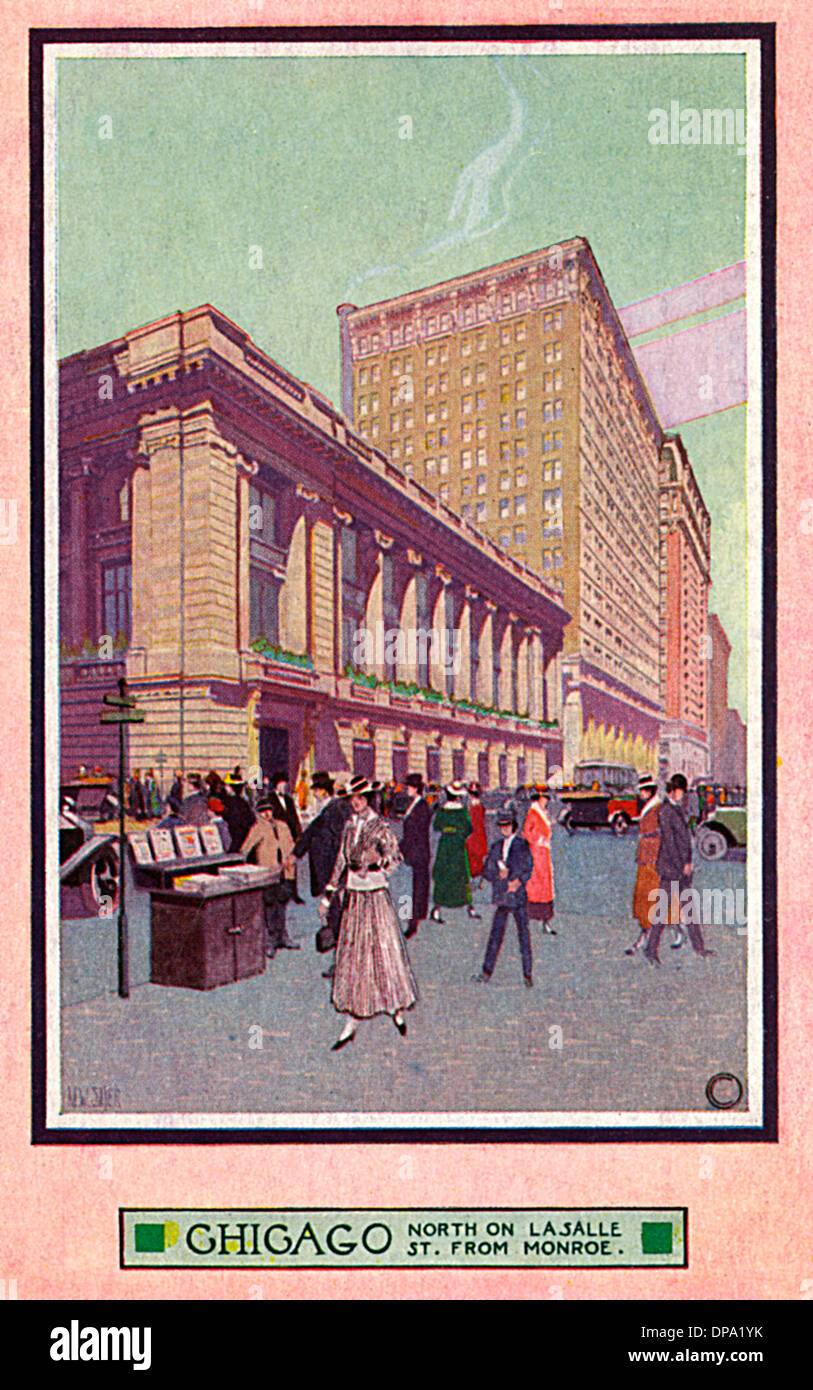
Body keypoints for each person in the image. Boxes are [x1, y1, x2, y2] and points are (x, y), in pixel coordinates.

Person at [319, 776, 417, 1051]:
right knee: (354, 955)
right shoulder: (349, 825)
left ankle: (395, 1007)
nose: (356, 802)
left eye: (360, 797)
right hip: (353, 897)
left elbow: (395, 859)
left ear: (369, 799)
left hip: (375, 896)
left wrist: (374, 866)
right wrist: (328, 895)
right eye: (352, 798)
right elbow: (341, 859)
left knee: (383, 951)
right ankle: (352, 1017)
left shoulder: (380, 826)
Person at [644, 772, 712, 965]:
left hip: (681, 869)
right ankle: (651, 951)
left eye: (683, 792)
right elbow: (670, 843)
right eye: (679, 792)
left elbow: (684, 842)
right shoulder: (666, 811)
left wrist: (688, 862)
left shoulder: (677, 809)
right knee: (661, 911)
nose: (681, 795)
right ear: (672, 791)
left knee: (689, 909)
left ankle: (699, 947)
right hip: (670, 869)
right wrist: (683, 865)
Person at [473, 809, 535, 987]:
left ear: (513, 826)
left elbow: (528, 867)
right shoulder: (496, 846)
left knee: (523, 935)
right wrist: (498, 875)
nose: (504, 829)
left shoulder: (522, 845)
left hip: (517, 896)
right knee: (495, 935)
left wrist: (517, 881)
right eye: (501, 826)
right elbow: (487, 870)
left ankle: (527, 974)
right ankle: (486, 971)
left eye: (507, 825)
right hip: (502, 896)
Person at [242, 796, 300, 957]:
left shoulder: (282, 826)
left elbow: (291, 845)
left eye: (268, 810)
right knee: (269, 905)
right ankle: (270, 940)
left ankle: (283, 936)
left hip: (285, 871)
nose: (266, 814)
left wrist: (292, 859)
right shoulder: (257, 828)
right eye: (262, 812)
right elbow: (245, 848)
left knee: (282, 903)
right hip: (268, 872)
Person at [626, 776, 660, 956]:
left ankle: (647, 936)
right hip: (646, 854)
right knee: (645, 895)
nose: (640, 794)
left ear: (649, 791)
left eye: (643, 791)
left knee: (650, 895)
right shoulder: (650, 807)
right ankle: (645, 934)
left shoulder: (657, 808)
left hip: (652, 855)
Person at [430, 781, 473, 923]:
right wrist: (459, 833)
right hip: (458, 844)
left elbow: (436, 826)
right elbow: (469, 828)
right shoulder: (462, 811)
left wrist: (447, 830)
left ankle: (437, 908)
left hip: (445, 845)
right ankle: (468, 906)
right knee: (461, 872)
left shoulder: (442, 811)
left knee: (443, 872)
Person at [400, 773, 432, 939]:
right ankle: (415, 917)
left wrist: (403, 847)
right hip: (415, 851)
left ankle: (413, 924)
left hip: (419, 852)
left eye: (409, 787)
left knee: (417, 888)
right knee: (417, 887)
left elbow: (416, 832)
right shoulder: (414, 804)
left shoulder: (422, 806)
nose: (407, 790)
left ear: (416, 788)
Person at [522, 788, 556, 935]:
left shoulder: (542, 814)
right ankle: (528, 922)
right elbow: (526, 833)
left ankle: (546, 922)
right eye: (545, 798)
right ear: (539, 798)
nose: (547, 801)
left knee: (546, 887)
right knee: (535, 887)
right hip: (535, 854)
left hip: (544, 854)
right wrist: (538, 840)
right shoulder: (533, 813)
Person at [267, 772, 304, 902]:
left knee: (292, 865)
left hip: (290, 836)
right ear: (276, 785)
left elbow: (294, 817)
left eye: (285, 785)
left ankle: (294, 893)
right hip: (278, 835)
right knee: (280, 864)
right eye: (282, 785)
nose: (284, 787)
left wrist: (298, 834)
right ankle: (281, 893)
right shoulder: (270, 798)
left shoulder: (288, 800)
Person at [465, 782, 488, 921]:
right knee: (474, 875)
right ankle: (471, 904)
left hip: (471, 846)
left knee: (471, 875)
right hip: (478, 846)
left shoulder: (472, 809)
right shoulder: (479, 808)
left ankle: (471, 904)